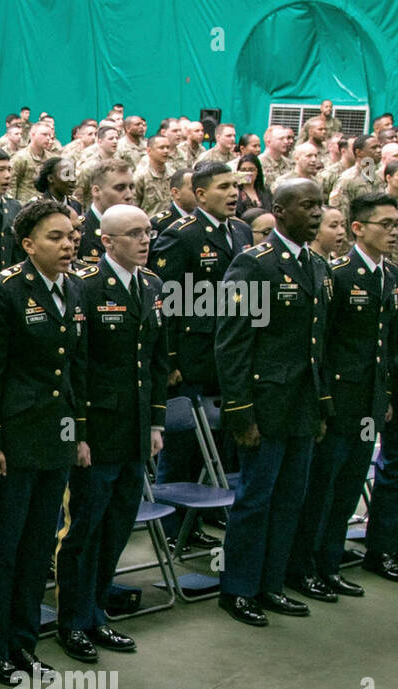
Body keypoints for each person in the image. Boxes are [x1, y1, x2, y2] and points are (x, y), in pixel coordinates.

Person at [0, 200, 88, 685]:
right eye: (55, 237)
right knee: (3, 548)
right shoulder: (5, 290)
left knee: (38, 547)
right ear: (28, 244)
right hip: (15, 438)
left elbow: (75, 366)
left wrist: (78, 432)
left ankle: (23, 644)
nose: (68, 244)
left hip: (55, 434)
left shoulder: (74, 287)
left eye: (71, 236)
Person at [214, 179, 330, 626]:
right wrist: (240, 411)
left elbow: (316, 345)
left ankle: (271, 583)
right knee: (255, 501)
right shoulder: (254, 264)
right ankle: (238, 588)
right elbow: (233, 342)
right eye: (307, 206)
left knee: (289, 500)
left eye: (320, 206)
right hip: (264, 404)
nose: (317, 214)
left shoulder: (316, 265)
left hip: (301, 404)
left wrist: (321, 407)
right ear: (279, 210)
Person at [56, 204, 166, 661]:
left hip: (135, 428)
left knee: (118, 526)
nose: (145, 240)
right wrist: (78, 433)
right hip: (97, 431)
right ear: (106, 241)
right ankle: (72, 621)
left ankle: (97, 611)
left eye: (148, 232)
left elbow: (156, 359)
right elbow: (74, 365)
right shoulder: (84, 287)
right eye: (134, 233)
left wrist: (156, 421)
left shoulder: (152, 284)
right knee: (84, 529)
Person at [289, 193, 398, 598]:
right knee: (323, 487)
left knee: (350, 485)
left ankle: (330, 564)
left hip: (369, 402)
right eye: (385, 224)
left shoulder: (389, 276)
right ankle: (303, 567)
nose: (393, 232)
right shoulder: (338, 275)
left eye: (396, 225)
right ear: (358, 228)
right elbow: (320, 344)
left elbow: (384, 343)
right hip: (339, 400)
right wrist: (322, 399)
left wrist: (385, 395)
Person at [151, 161, 252, 547]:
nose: (233, 193)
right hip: (192, 356)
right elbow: (165, 302)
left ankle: (200, 520)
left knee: (218, 445)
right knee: (183, 449)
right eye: (223, 187)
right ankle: (171, 529)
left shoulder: (241, 231)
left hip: (228, 355)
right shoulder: (182, 235)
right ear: (200, 194)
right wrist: (170, 359)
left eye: (235, 186)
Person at [234, 153, 271, 218]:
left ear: (257, 172)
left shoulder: (265, 190)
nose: (247, 173)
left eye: (251, 170)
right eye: (243, 170)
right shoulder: (234, 191)